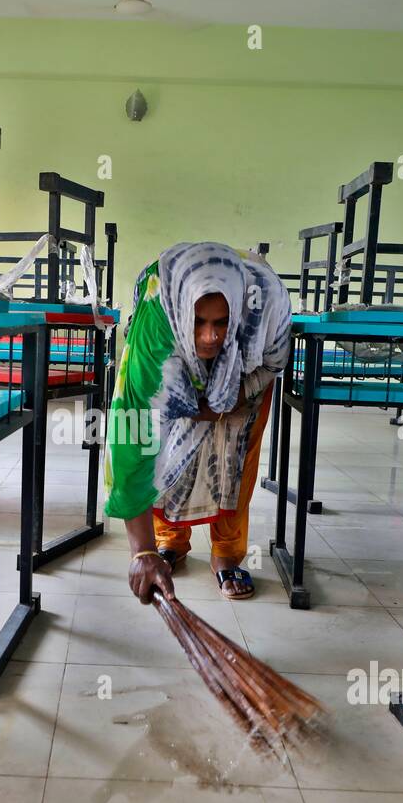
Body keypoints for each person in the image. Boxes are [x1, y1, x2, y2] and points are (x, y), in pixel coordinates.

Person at [103, 241, 292, 605]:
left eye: (222, 323)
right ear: (180, 315)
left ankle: (227, 553)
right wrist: (140, 552)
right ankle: (168, 541)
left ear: (236, 314)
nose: (208, 337)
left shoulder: (267, 305)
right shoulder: (156, 327)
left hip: (247, 370)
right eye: (199, 323)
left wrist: (235, 396)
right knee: (168, 451)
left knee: (233, 459)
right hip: (171, 354)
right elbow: (133, 437)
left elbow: (272, 364)